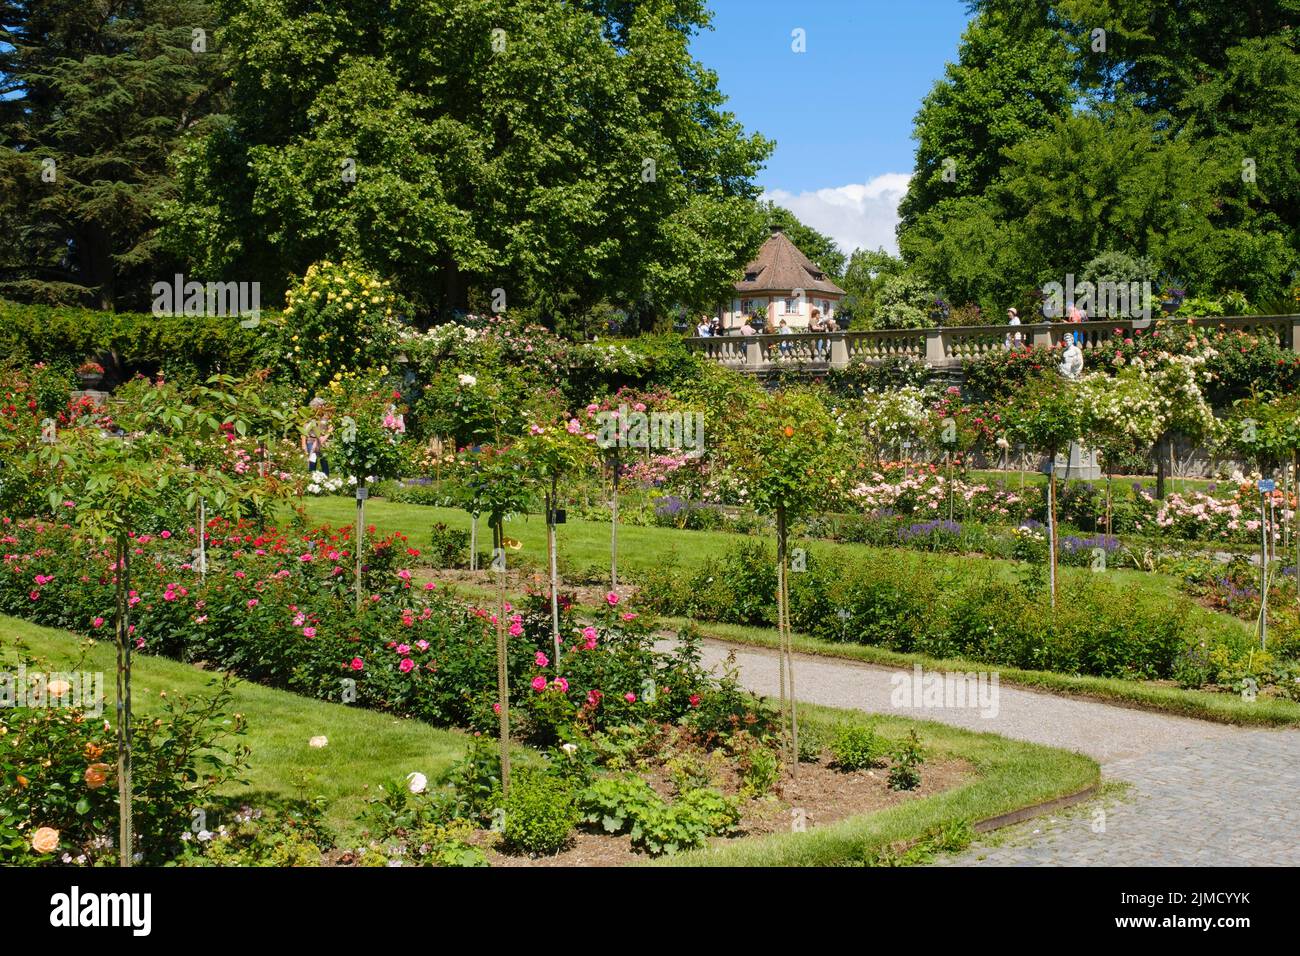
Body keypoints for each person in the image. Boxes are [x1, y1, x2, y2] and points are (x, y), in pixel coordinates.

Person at [302, 401, 332, 476]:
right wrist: (303, 444)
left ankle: (325, 477)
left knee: (324, 460)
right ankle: (312, 477)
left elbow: (331, 428)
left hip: (322, 441)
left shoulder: (326, 417)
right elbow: (304, 431)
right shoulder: (309, 418)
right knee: (312, 460)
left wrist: (325, 437)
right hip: (311, 440)